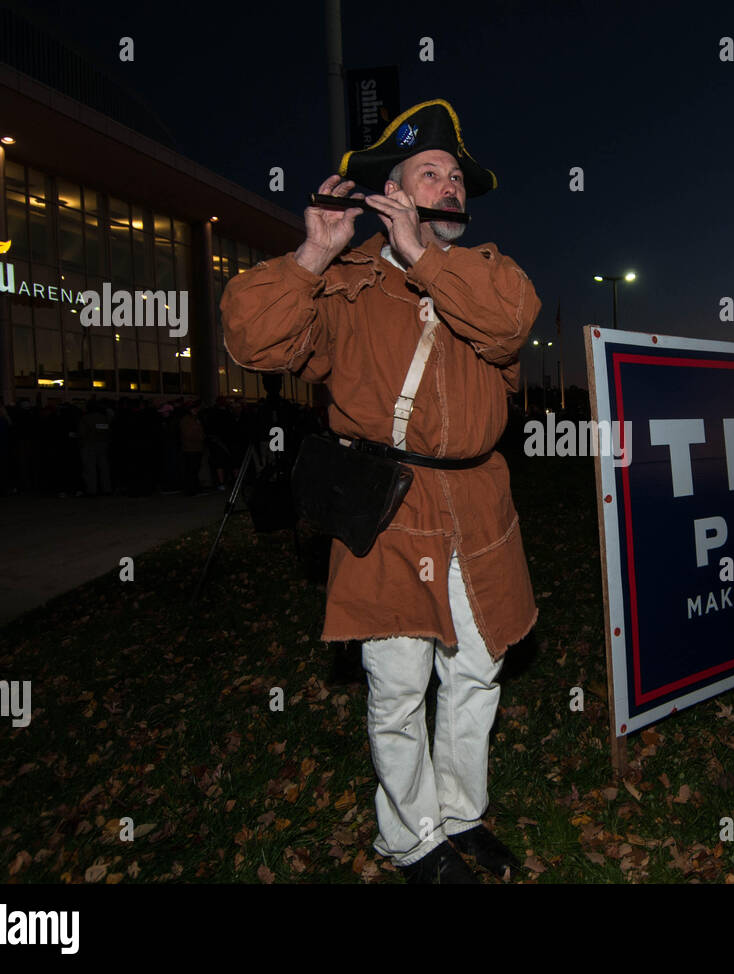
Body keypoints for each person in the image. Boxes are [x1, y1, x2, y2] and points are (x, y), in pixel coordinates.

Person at [221, 99, 540, 884]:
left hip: (479, 508)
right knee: (397, 689)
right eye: (431, 172)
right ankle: (412, 838)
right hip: (390, 509)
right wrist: (310, 254)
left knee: (475, 674)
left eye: (457, 175)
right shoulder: (348, 284)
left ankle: (462, 815)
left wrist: (427, 262)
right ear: (391, 192)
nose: (451, 185)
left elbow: (508, 324)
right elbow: (252, 340)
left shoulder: (487, 274)